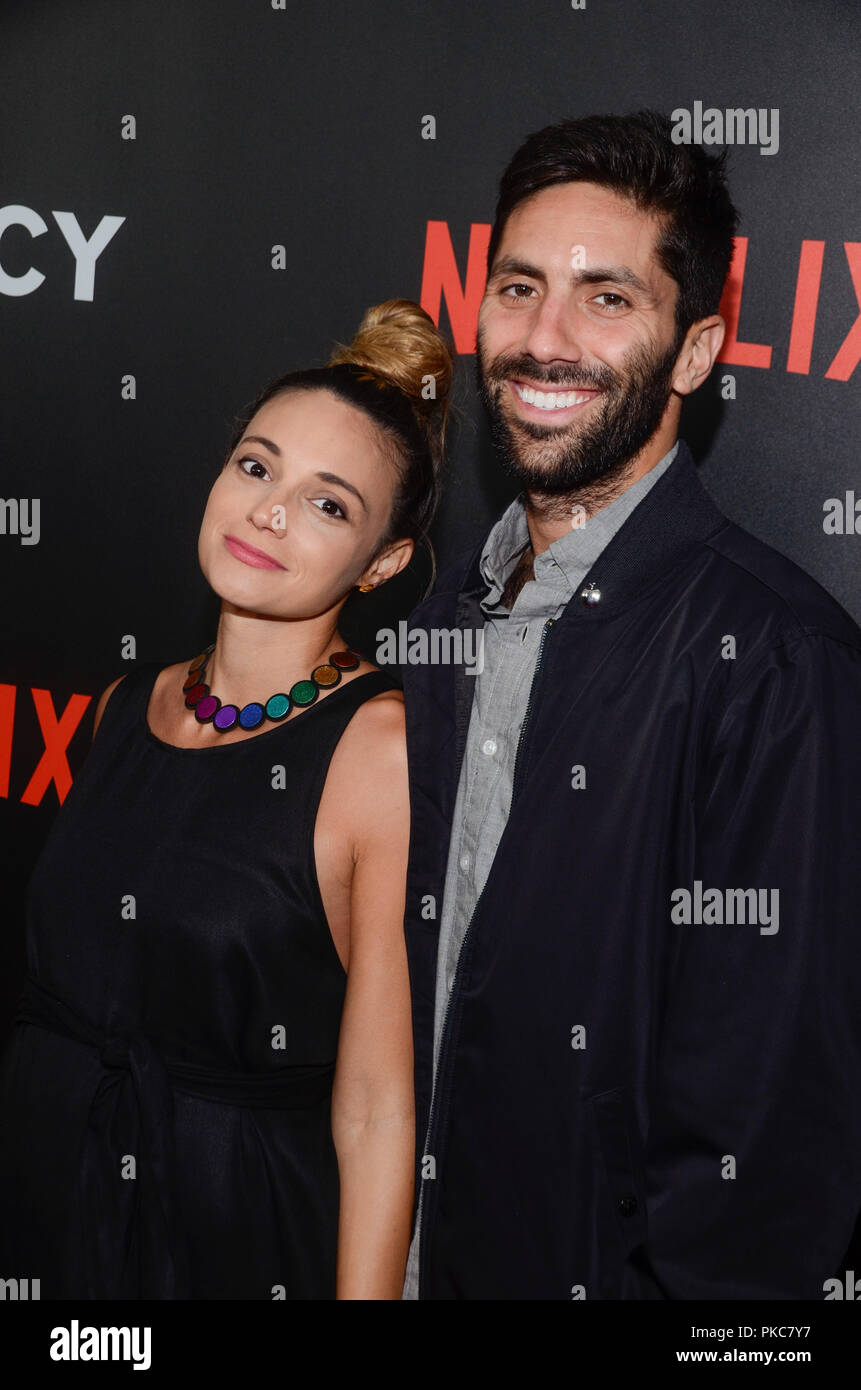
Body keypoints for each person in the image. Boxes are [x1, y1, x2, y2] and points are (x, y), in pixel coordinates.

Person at [400, 111, 861, 1300]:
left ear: (696, 351)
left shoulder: (779, 659)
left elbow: (768, 1148)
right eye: (517, 287)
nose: (543, 339)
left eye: (608, 299)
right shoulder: (442, 620)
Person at [0, 298, 453, 1299]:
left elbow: (379, 1106)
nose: (271, 511)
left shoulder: (379, 747)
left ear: (383, 563)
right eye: (258, 465)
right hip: (49, 1203)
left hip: (229, 1238)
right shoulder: (127, 702)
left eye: (330, 503)